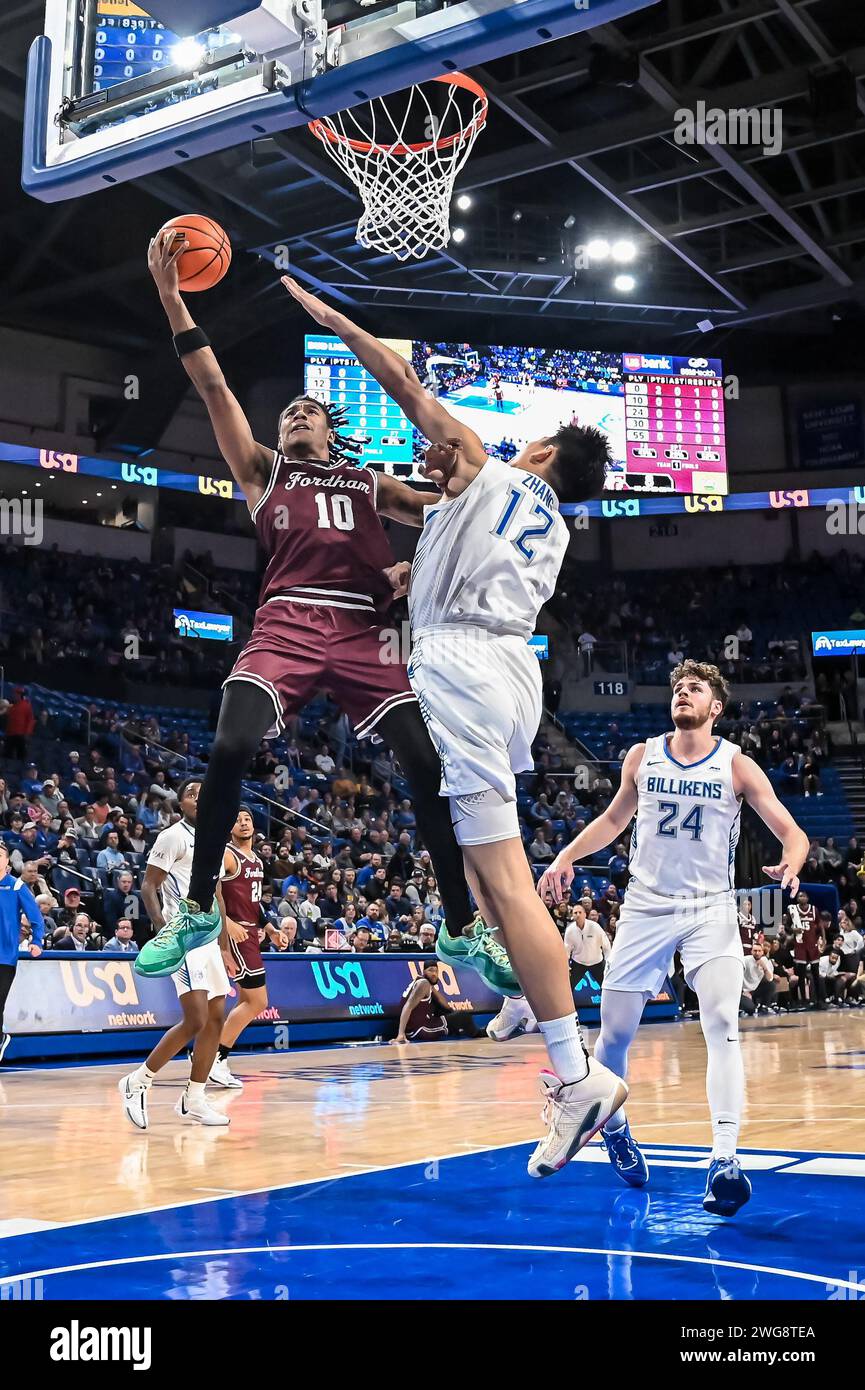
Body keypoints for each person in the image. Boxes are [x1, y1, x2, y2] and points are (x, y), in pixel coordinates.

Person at [283, 275, 625, 1176]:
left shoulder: (491, 469)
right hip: (503, 668)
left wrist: (331, 319)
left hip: (465, 668)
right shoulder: (535, 518)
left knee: (505, 880)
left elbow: (404, 385)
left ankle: (573, 1069)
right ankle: (552, 1042)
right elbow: (408, 507)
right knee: (484, 867)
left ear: (544, 448)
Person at [135, 236, 485, 989]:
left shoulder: (369, 484)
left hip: (365, 632)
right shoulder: (263, 471)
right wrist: (172, 296)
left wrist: (425, 528)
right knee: (229, 746)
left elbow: (459, 514)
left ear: (330, 431)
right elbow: (213, 386)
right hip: (288, 622)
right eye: (289, 411)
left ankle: (460, 926)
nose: (296, 415)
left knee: (426, 767)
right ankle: (198, 907)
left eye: (308, 411)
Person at [539, 660, 809, 1216]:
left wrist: (792, 862)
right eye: (679, 688)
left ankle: (725, 1160)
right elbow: (615, 819)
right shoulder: (643, 755)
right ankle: (616, 1131)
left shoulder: (736, 764)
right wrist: (566, 855)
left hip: (710, 908)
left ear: (716, 708)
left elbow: (792, 831)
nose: (683, 693)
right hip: (646, 906)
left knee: (722, 1022)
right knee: (612, 1039)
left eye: (696, 689)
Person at [119, 780, 237, 1129]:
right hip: (182, 936)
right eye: (191, 794)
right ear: (181, 804)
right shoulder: (173, 836)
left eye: (205, 792)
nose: (199, 798)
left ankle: (194, 1099)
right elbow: (148, 885)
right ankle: (138, 1080)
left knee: (217, 1018)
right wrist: (162, 929)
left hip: (209, 936)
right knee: (197, 1019)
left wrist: (224, 943)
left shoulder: (215, 840)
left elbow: (216, 890)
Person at [210, 806, 290, 1089]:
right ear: (229, 828)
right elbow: (211, 892)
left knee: (246, 1001)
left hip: (251, 931)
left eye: (248, 819)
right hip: (236, 933)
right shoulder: (227, 855)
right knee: (258, 1002)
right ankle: (215, 1059)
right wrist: (227, 924)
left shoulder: (256, 859)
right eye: (237, 819)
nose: (243, 823)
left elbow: (255, 905)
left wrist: (271, 929)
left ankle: (213, 1057)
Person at [0, 842, 44, 1063]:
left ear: (7, 861)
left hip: (5, 956)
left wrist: (37, 941)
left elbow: (35, 916)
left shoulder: (16, 886)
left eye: (0, 855)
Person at [740, 941, 775, 1015]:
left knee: (771, 985)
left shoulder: (764, 961)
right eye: (755, 951)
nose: (757, 953)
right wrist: (743, 991)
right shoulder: (745, 960)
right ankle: (741, 1008)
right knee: (750, 1009)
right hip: (744, 991)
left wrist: (765, 968)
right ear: (751, 952)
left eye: (759, 951)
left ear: (762, 952)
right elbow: (737, 976)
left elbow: (770, 978)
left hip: (755, 989)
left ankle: (764, 1007)